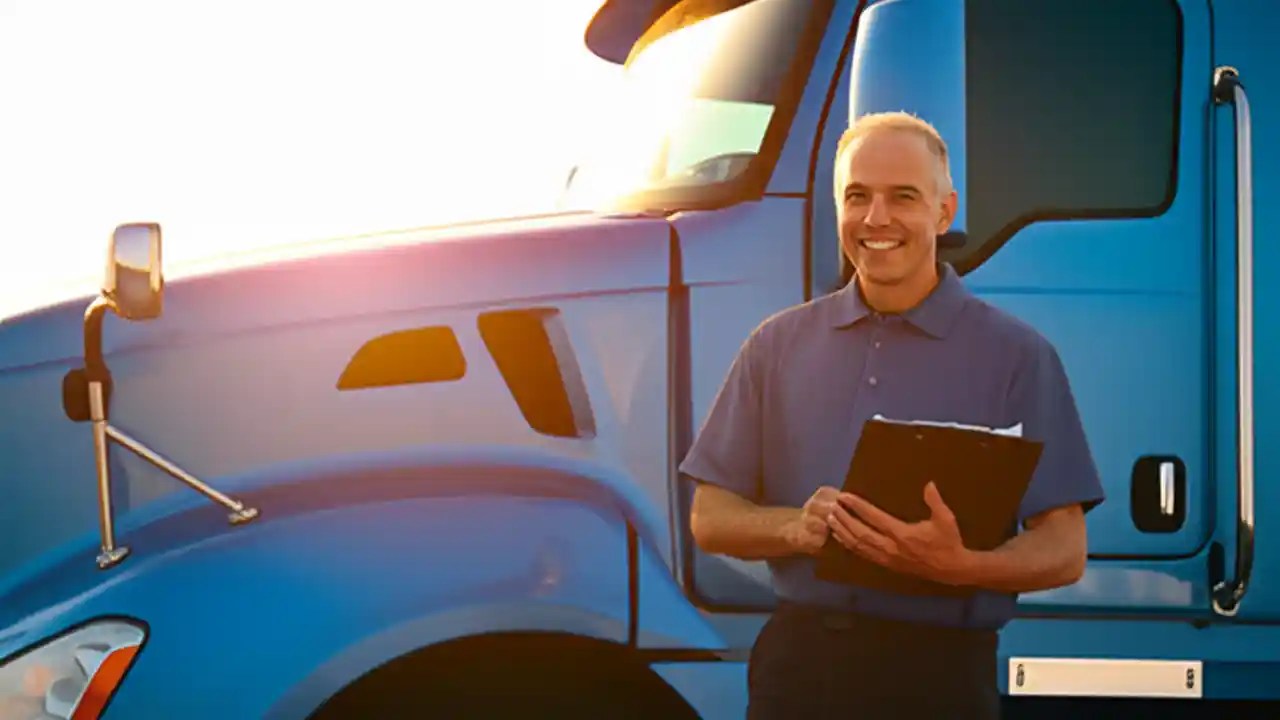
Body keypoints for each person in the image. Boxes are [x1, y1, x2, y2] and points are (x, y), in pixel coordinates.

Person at [678, 111, 1105, 719]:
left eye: (902, 197)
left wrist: (960, 567)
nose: (876, 219)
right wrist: (794, 526)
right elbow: (710, 518)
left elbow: (1065, 548)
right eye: (857, 197)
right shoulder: (775, 345)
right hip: (800, 673)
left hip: (941, 679)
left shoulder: (1018, 356)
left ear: (944, 210)